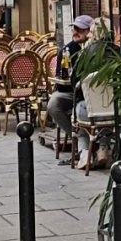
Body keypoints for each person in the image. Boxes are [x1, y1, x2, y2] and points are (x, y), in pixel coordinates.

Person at [44, 15, 96, 147]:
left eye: (80, 29)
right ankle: (79, 138)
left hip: (94, 92)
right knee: (53, 104)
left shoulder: (97, 50)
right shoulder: (67, 50)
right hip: (72, 91)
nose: (75, 32)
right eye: (74, 28)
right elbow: (61, 80)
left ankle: (96, 142)